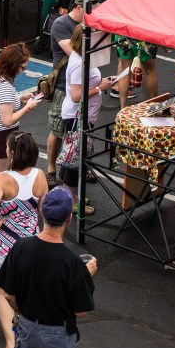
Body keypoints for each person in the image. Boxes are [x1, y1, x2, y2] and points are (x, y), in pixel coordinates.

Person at [0, 187, 97, 348]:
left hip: (27, 327)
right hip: (58, 333)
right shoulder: (72, 262)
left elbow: (8, 294)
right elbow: (81, 311)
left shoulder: (20, 247)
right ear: (69, 219)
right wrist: (87, 275)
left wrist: (22, 311)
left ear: (42, 212)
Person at [0, 131, 47, 348]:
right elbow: (44, 210)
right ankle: (30, 329)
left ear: (11, 153)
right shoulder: (40, 176)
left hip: (3, 245)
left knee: (3, 291)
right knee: (26, 289)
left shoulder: (1, 179)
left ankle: (11, 343)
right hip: (31, 243)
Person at [61, 24, 113, 216]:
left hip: (81, 116)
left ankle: (68, 196)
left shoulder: (83, 58)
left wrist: (101, 84)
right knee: (74, 161)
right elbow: (76, 95)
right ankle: (72, 202)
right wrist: (100, 87)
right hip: (77, 117)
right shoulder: (78, 63)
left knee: (71, 159)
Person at [44, 0, 89, 184]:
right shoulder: (61, 24)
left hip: (82, 85)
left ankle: (79, 167)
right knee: (57, 130)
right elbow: (74, 51)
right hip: (63, 86)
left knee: (81, 131)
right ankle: (51, 170)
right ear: (79, 7)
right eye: (88, 10)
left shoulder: (86, 24)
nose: (90, 15)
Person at [0, 44, 40, 180]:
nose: (22, 71)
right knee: (1, 176)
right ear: (13, 64)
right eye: (22, 67)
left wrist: (19, 98)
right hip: (1, 134)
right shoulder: (4, 87)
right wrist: (28, 107)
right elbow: (7, 121)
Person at [110, 0, 157, 108]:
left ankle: (123, 107)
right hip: (141, 34)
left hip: (123, 33)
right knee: (149, 69)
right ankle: (154, 104)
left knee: (125, 69)